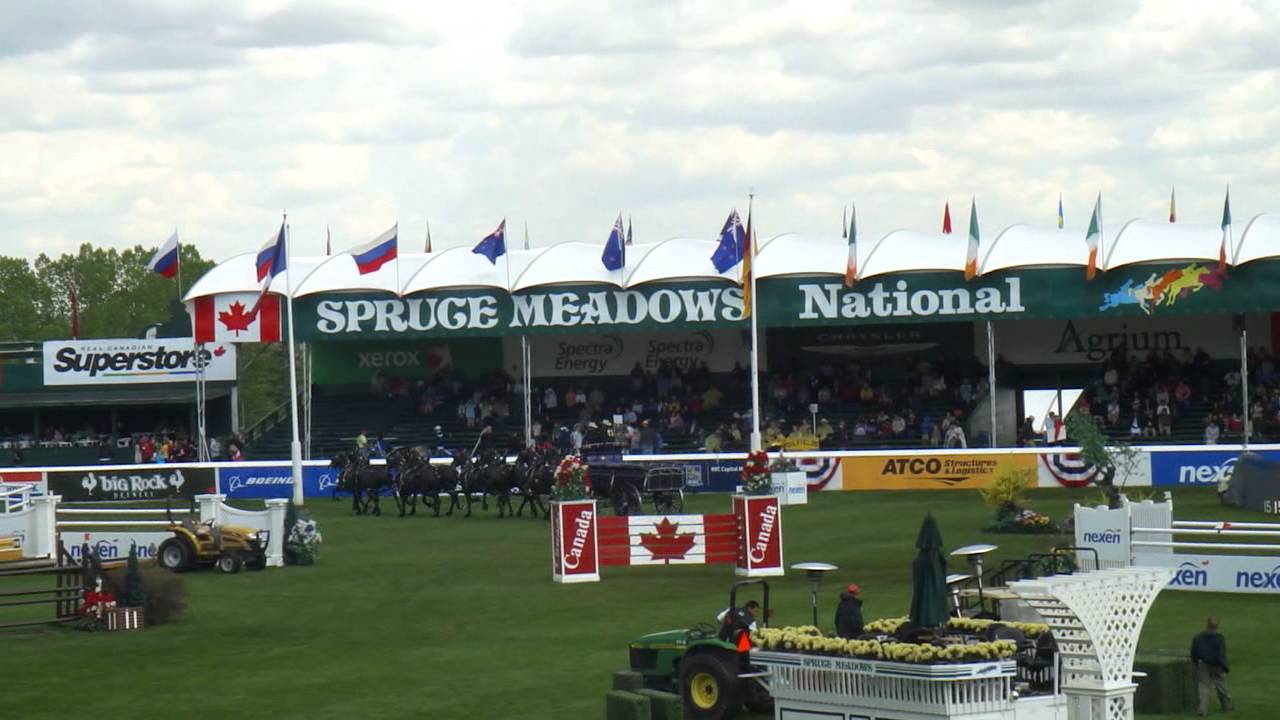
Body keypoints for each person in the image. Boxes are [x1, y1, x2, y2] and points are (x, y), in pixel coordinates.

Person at [1191, 616, 1233, 715]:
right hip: (1216, 665)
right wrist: (1223, 668)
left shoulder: (1198, 637)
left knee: (1203, 687)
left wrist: (1195, 662)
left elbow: (1194, 652)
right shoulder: (1219, 638)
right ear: (1217, 626)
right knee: (1221, 686)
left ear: (1207, 624)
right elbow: (1221, 654)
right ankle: (1227, 705)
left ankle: (1202, 710)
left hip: (1203, 665)